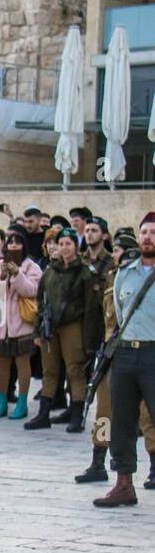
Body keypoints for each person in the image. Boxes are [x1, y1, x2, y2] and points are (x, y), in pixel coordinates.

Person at [94, 215, 155, 506]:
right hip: (126, 353)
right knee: (121, 420)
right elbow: (118, 312)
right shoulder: (124, 273)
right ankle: (123, 484)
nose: (147, 237)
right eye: (144, 232)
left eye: (153, 233)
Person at [25, 228, 102, 433]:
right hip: (50, 326)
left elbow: (92, 308)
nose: (64, 248)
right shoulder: (50, 271)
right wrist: (37, 331)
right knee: (49, 371)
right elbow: (40, 302)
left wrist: (89, 340)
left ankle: (77, 414)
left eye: (68, 244)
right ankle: (43, 413)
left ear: (76, 246)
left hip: (73, 325)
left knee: (75, 370)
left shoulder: (85, 272)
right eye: (61, 244)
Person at [0, 229, 42, 421]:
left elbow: (31, 290)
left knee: (22, 364)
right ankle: (2, 401)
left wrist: (17, 274)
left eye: (17, 242)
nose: (13, 246)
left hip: (22, 324)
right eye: (10, 243)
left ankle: (22, 402)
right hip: (2, 324)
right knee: (2, 364)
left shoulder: (31, 266)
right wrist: (2, 276)